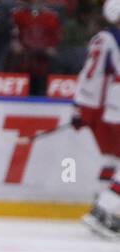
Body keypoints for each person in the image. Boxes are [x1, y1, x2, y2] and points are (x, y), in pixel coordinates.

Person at [72, 0, 120, 239]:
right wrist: (84, 107)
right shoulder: (110, 39)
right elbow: (94, 74)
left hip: (113, 106)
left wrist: (81, 106)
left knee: (112, 159)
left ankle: (102, 207)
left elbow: (91, 74)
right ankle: (103, 209)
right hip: (117, 106)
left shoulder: (105, 38)